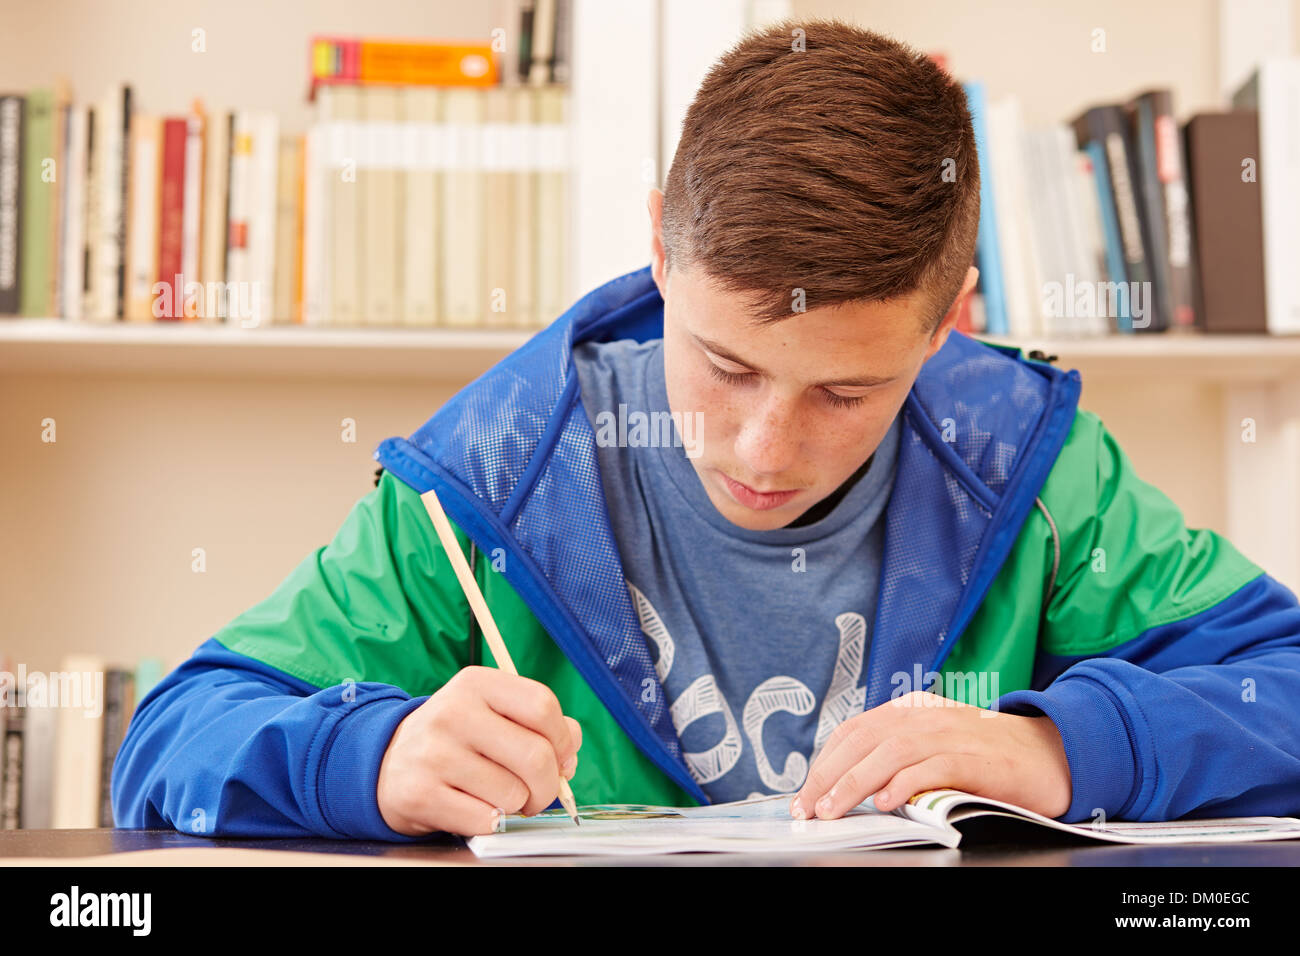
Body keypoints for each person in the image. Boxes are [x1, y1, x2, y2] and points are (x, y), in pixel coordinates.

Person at [112, 19, 1300, 841]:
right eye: (726, 366)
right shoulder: (485, 481)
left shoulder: (1028, 466)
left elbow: (1281, 684)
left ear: (944, 327)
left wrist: (1063, 749)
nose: (762, 450)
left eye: (845, 393)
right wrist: (363, 760)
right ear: (660, 252)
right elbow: (167, 742)